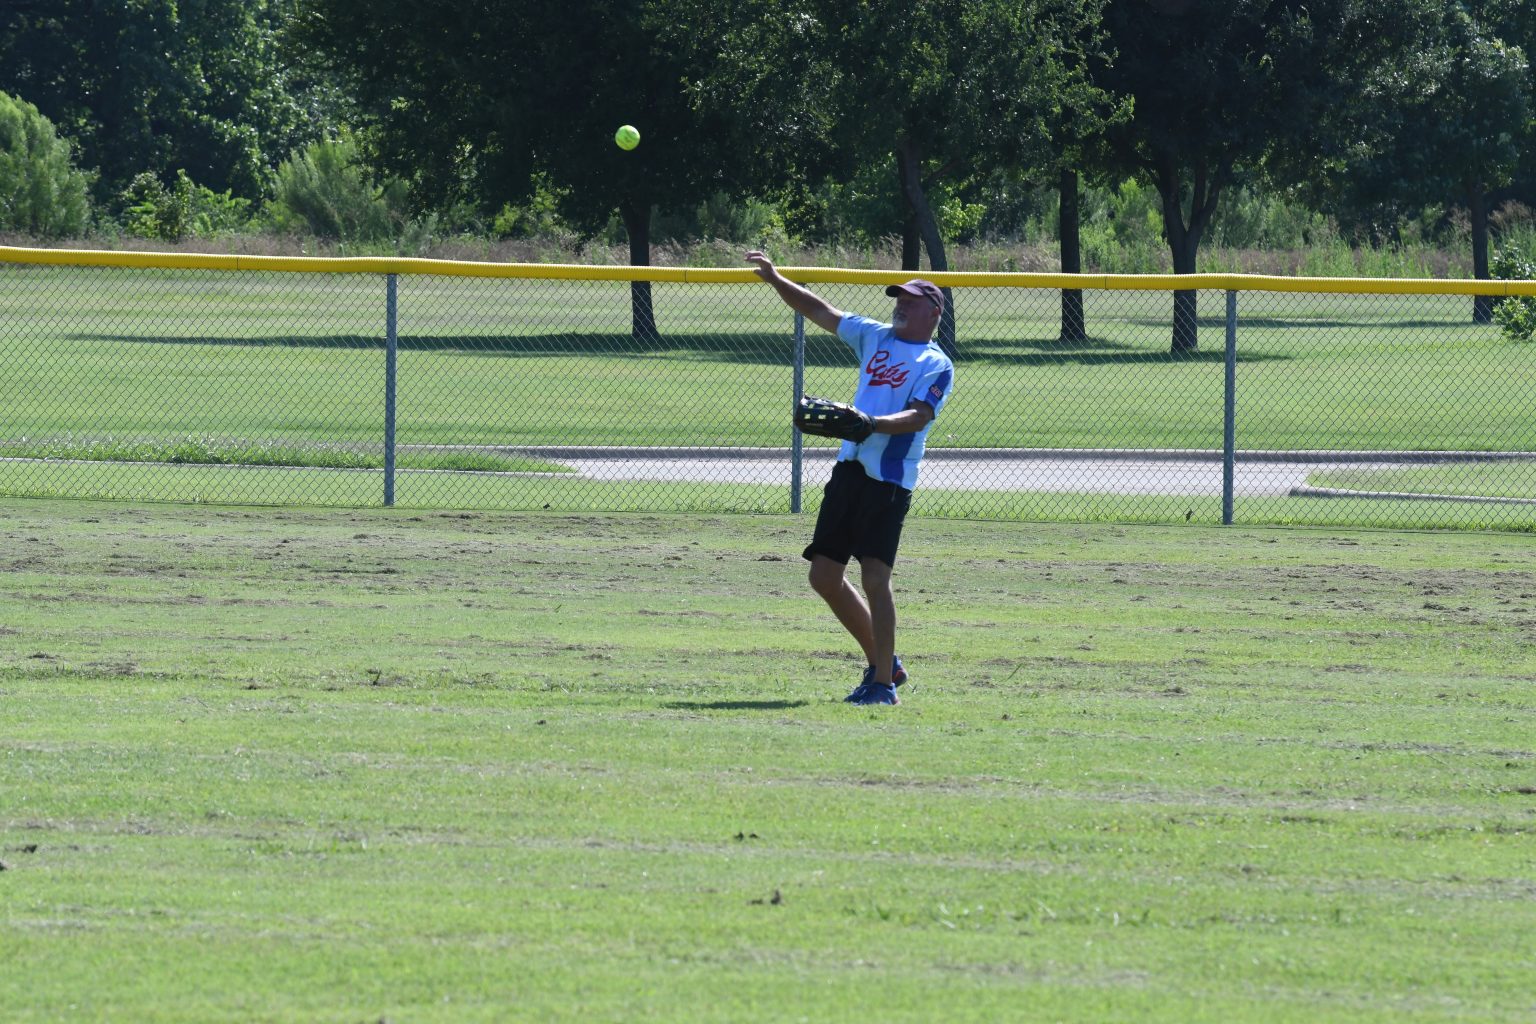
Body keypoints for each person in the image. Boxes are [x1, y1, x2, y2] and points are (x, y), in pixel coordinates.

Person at [745, 250, 955, 706]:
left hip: (889, 481)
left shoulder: (935, 364)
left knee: (875, 578)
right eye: (897, 296)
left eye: (910, 299)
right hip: (849, 471)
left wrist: (869, 424)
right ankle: (887, 662)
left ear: (933, 311)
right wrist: (775, 279)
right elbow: (820, 310)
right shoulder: (875, 337)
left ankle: (881, 685)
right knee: (823, 577)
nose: (899, 304)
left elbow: (919, 416)